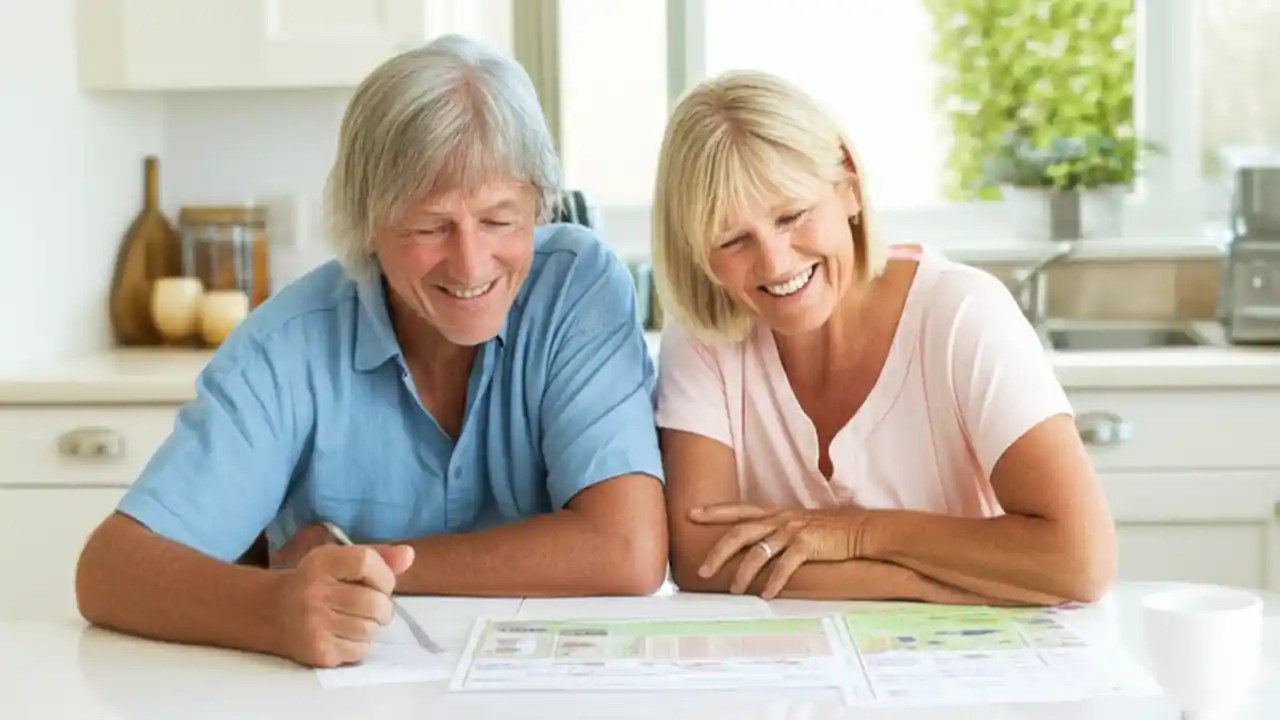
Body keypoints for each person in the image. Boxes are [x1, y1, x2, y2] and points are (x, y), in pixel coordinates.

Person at [75, 35, 667, 669]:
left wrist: (362, 563)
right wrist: (276, 606)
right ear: (367, 222)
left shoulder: (576, 286)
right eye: (429, 226)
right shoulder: (286, 346)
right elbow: (110, 569)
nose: (470, 263)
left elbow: (627, 550)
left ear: (538, 205)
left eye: (500, 219)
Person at [650, 70, 1116, 607]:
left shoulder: (962, 313)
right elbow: (701, 557)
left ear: (847, 186)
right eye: (733, 240)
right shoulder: (707, 332)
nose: (775, 263)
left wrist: (858, 533)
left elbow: (1081, 561)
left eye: (792, 215)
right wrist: (917, 583)